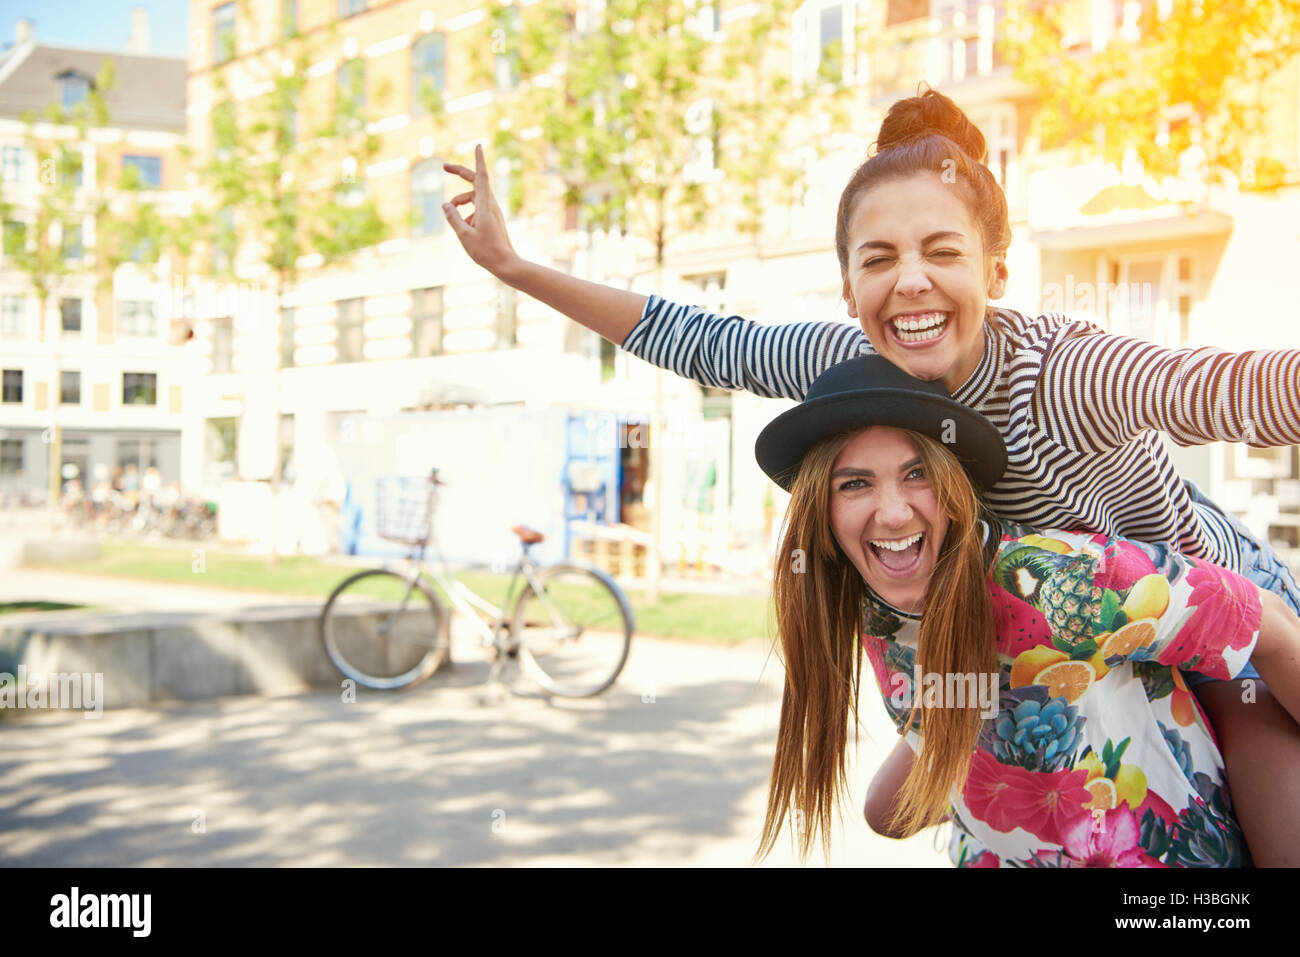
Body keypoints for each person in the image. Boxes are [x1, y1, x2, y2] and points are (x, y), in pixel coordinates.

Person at [442, 88, 1300, 864]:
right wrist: (517, 270)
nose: (910, 281)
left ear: (996, 272)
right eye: (879, 258)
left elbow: (1220, 387)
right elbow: (696, 335)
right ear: (849, 285)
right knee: (894, 806)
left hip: (1213, 611)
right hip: (1037, 629)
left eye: (940, 251)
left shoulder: (1062, 374)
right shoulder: (853, 360)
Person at [750, 354, 1300, 866]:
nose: (893, 514)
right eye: (854, 484)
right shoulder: (869, 593)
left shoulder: (1060, 583)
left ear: (954, 486)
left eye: (917, 474)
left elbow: (1268, 623)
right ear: (821, 509)